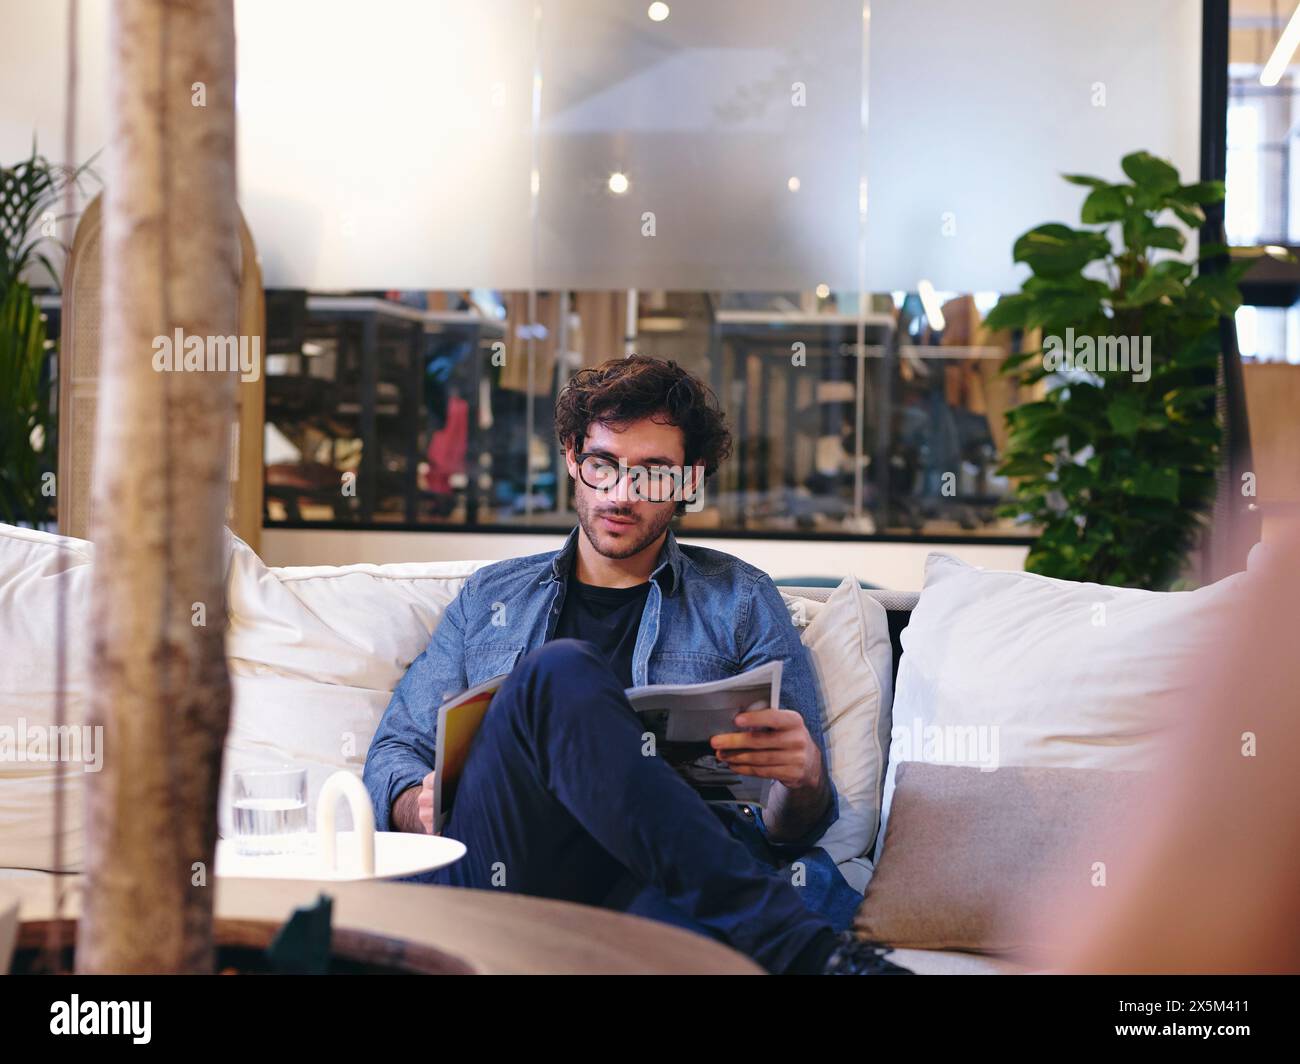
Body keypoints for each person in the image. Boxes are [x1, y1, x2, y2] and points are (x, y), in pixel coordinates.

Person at [364, 355, 908, 975]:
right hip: (507, 867)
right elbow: (391, 756)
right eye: (603, 465)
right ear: (573, 457)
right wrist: (418, 801)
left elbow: (792, 828)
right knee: (557, 674)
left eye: (653, 474)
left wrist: (804, 779)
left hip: (658, 883)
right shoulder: (493, 598)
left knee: (681, 934)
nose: (622, 495)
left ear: (688, 482)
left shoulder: (741, 600)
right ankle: (807, 952)